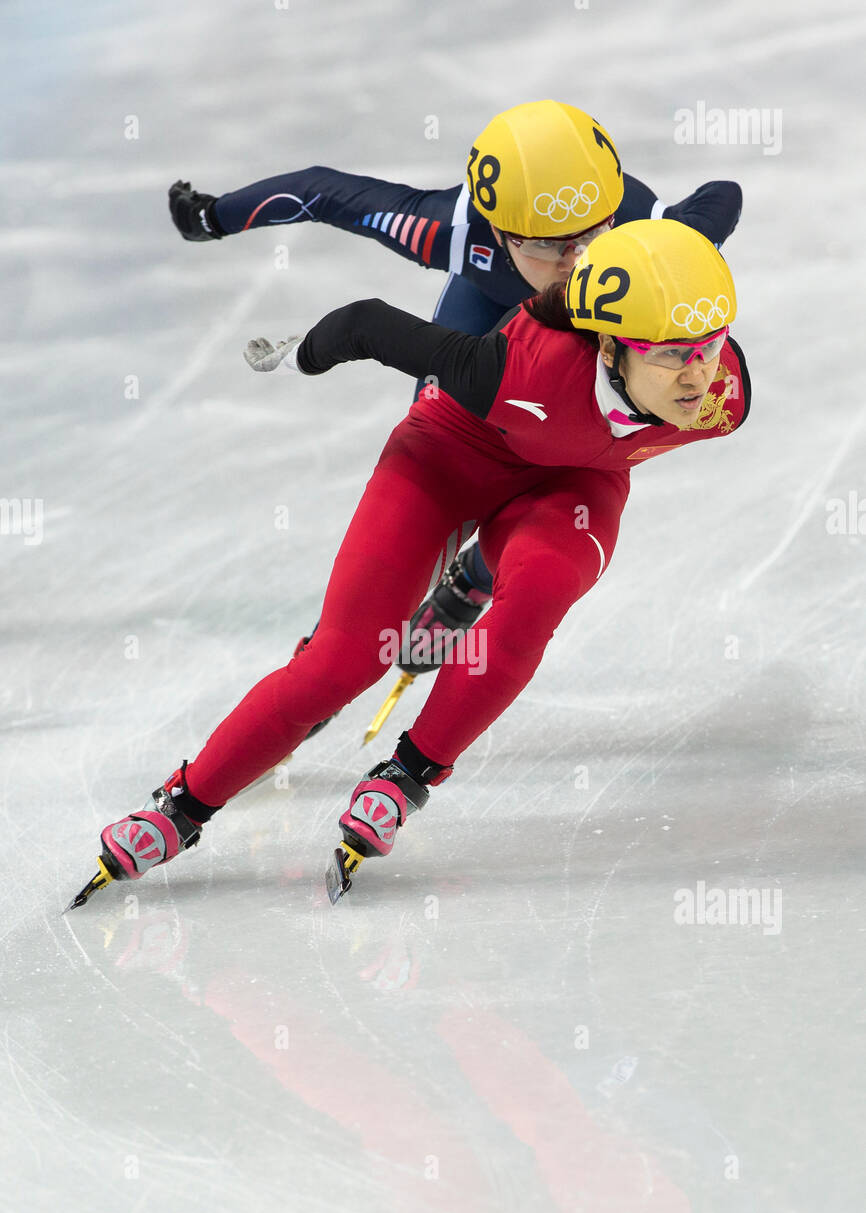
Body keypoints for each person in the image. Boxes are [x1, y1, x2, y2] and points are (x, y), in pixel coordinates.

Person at [67, 218, 749, 911]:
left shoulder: (724, 399)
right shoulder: (515, 370)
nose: (696, 375)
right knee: (343, 663)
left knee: (540, 589)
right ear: (608, 346)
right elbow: (366, 324)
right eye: (668, 355)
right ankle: (182, 805)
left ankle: (407, 774)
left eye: (707, 348)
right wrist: (300, 354)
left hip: (569, 486)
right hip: (451, 457)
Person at [169, 101, 742, 674]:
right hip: (483, 324)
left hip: (587, 344)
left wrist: (689, 239)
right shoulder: (451, 229)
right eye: (546, 244)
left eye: (595, 233)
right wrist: (213, 218)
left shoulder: (643, 225)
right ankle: (330, 648)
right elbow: (327, 195)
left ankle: (479, 574)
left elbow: (725, 195)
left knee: (574, 454)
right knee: (442, 465)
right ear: (499, 231)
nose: (578, 260)